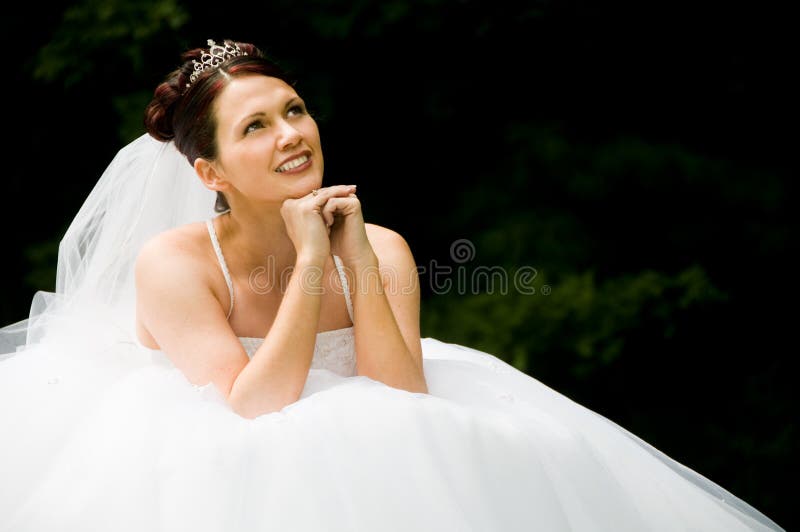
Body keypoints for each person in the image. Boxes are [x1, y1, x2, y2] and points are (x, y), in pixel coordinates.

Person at [0, 39, 784, 532]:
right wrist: (311, 261)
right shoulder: (173, 262)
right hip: (210, 460)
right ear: (208, 173)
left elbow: (400, 388)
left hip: (371, 436)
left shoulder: (379, 243)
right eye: (256, 127)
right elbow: (248, 409)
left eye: (294, 110)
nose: (292, 135)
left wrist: (350, 256)